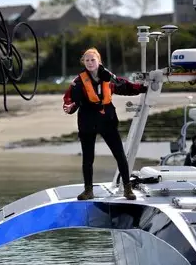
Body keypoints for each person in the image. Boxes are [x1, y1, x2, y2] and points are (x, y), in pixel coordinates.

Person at [62, 47, 147, 201]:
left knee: (120, 155)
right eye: (86, 60)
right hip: (87, 121)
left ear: (99, 61)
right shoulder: (78, 82)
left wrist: (143, 88)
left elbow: (124, 86)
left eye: (92, 60)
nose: (89, 63)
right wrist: (69, 107)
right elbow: (70, 100)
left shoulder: (109, 77)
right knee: (87, 159)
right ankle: (88, 191)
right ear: (83, 62)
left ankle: (127, 189)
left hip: (107, 120)